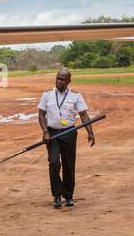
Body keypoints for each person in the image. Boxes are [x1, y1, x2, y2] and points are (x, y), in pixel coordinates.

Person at [37, 68, 95, 209]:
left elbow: (83, 115)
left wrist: (90, 132)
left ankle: (68, 196)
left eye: (62, 79)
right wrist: (45, 131)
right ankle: (57, 196)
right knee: (54, 163)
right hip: (53, 134)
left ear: (69, 81)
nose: (59, 81)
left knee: (69, 165)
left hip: (69, 132)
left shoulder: (75, 96)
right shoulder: (47, 95)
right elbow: (41, 114)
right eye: (57, 78)